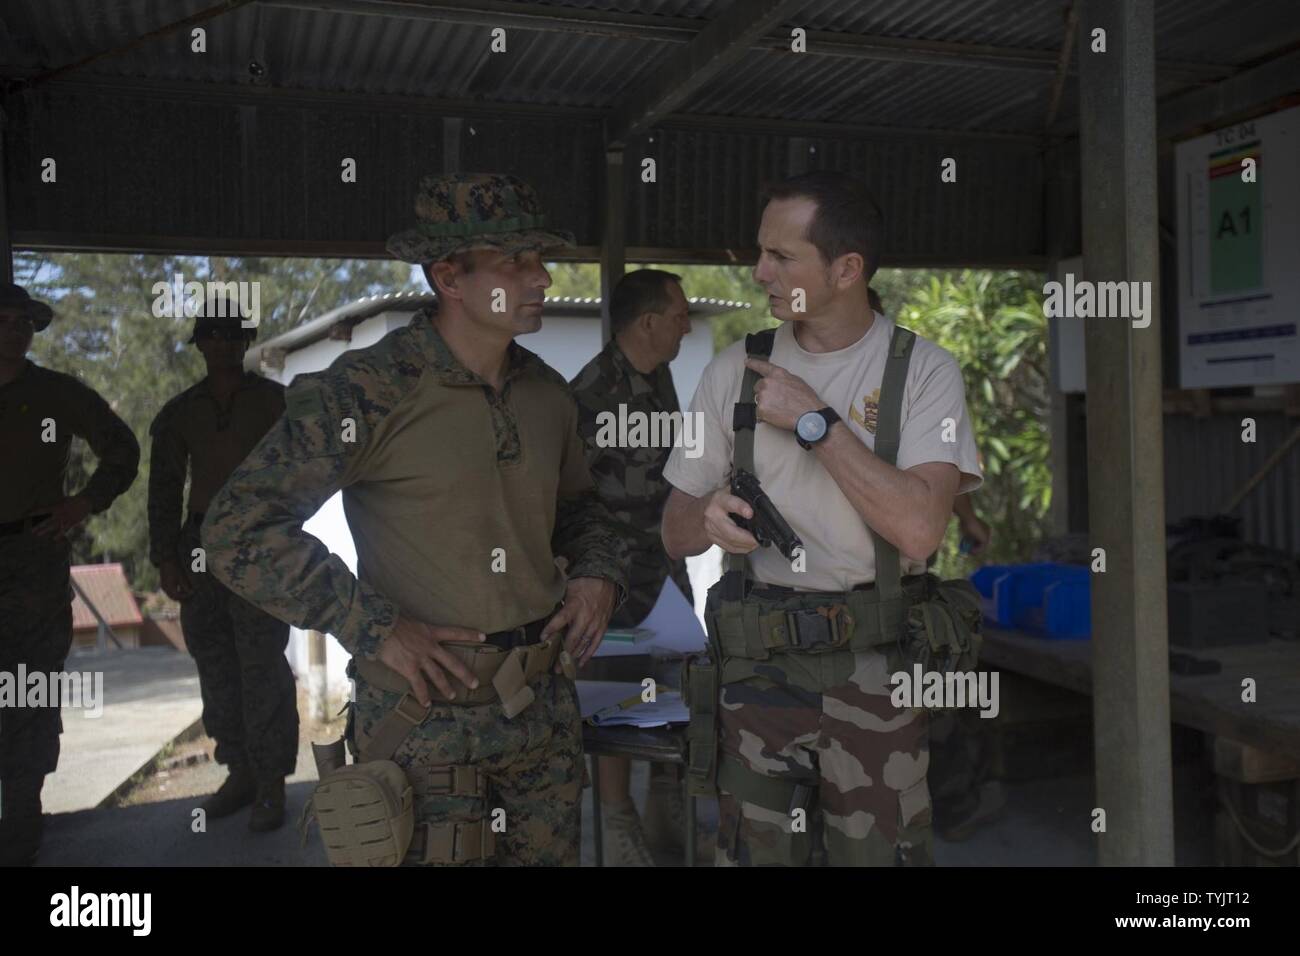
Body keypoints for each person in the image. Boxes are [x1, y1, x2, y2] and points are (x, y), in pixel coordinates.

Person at [202, 173, 628, 866]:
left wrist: (598, 574)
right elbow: (236, 529)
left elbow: (583, 512)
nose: (543, 277)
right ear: (449, 278)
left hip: (542, 719)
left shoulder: (548, 393)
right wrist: (371, 625)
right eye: (515, 261)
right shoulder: (368, 390)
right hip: (424, 728)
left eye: (540, 259)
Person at [662, 171, 982, 866]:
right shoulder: (730, 373)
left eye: (782, 257)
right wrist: (705, 514)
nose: (759, 271)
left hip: (878, 672)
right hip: (757, 670)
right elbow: (673, 529)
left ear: (845, 269)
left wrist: (813, 420)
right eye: (760, 252)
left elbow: (923, 529)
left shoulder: (924, 374)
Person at [0, 282, 139, 865]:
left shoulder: (55, 394)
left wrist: (83, 503)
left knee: (29, 685)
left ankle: (21, 816)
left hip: (31, 557)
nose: (15, 329)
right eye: (4, 318)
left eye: (24, 321)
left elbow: (122, 450)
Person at [148, 302, 297, 831]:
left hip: (257, 540)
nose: (222, 344)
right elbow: (164, 486)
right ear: (200, 344)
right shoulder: (181, 411)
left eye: (232, 335)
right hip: (199, 542)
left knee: (261, 662)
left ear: (244, 341)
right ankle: (240, 772)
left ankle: (272, 780)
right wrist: (167, 556)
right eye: (211, 335)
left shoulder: (277, 403)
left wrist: (286, 528)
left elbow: (310, 467)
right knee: (214, 659)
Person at [570, 269, 694, 866]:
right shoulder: (590, 393)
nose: (687, 326)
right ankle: (618, 824)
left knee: (672, 685)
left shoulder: (662, 376)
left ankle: (663, 803)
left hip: (665, 569)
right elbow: (569, 502)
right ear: (647, 323)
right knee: (614, 697)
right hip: (616, 580)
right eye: (679, 315)